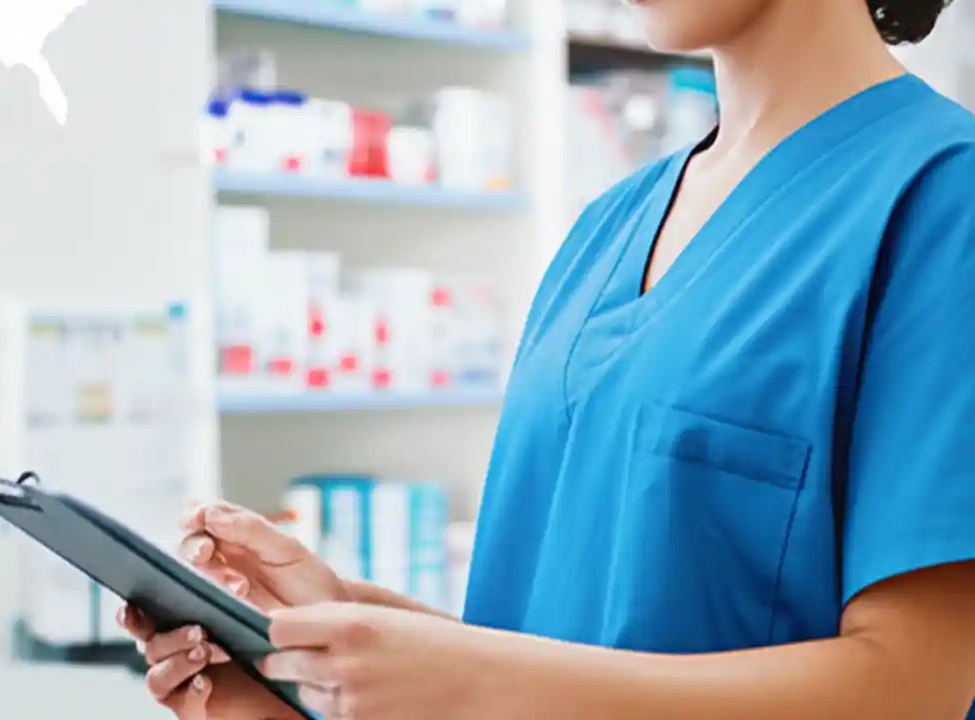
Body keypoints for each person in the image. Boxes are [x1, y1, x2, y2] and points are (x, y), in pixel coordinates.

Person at [125, 0, 975, 716]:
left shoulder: (942, 202)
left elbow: (915, 683)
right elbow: (567, 640)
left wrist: (469, 682)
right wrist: (327, 648)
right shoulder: (605, 227)